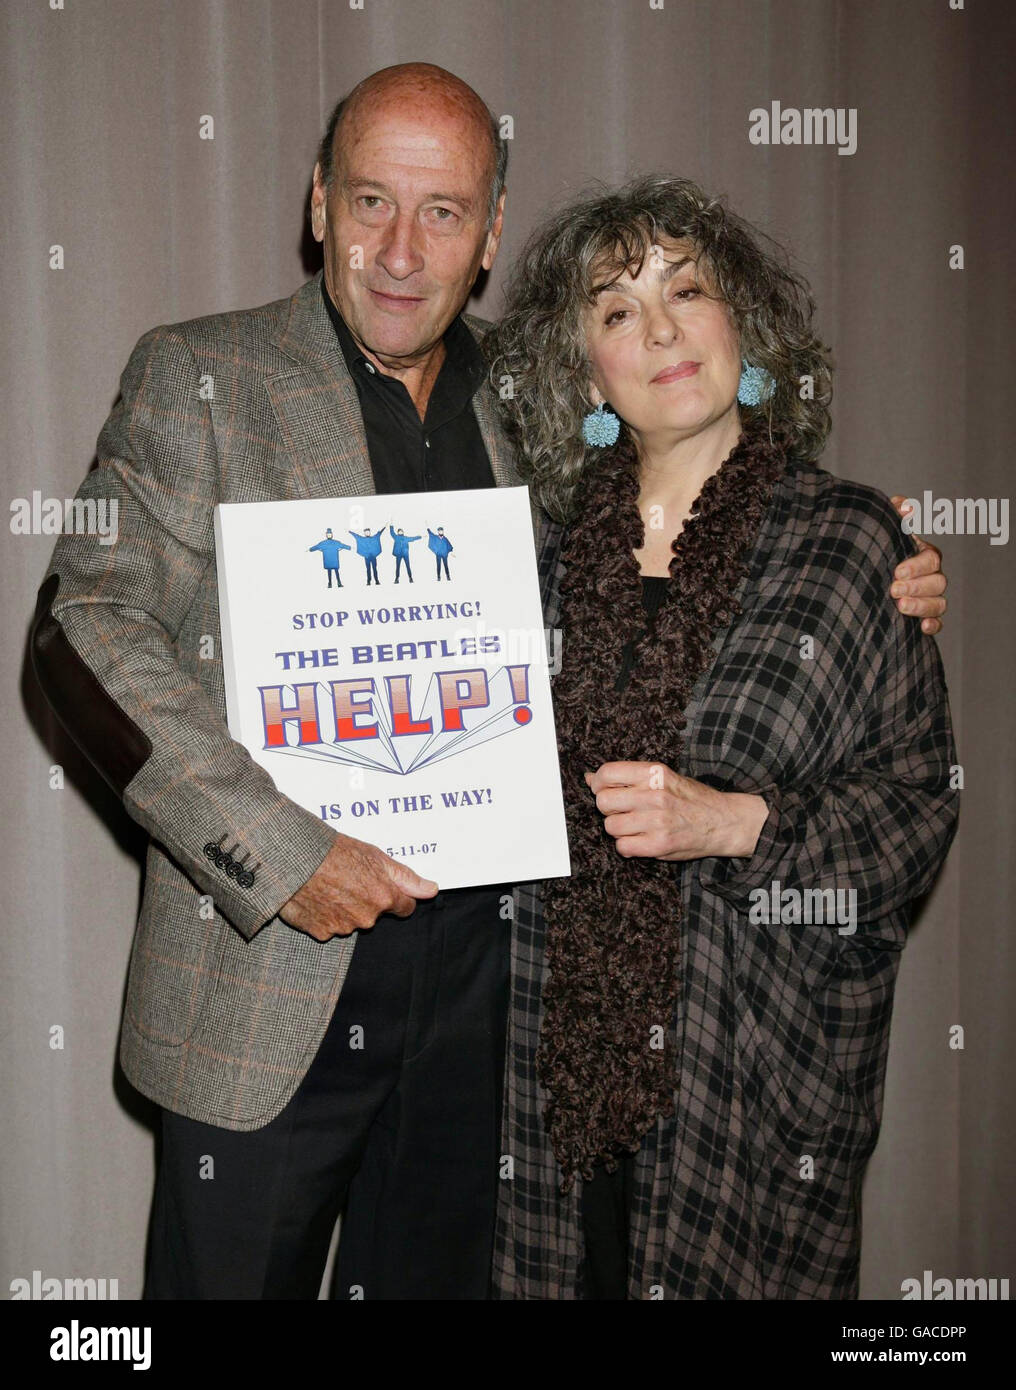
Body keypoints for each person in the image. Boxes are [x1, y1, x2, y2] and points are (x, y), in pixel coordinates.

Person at [27, 64, 947, 1302]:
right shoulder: (202, 375)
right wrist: (282, 852)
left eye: (444, 212)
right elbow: (85, 629)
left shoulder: (539, 402)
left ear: (491, 234)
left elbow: (703, 470)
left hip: (488, 1033)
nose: (402, 253)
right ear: (317, 205)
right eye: (369, 203)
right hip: (264, 1007)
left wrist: (875, 538)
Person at [483, 175, 960, 1299]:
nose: (658, 330)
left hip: (751, 1081)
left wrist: (738, 822)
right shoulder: (535, 565)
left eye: (684, 291)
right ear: (581, 370)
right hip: (552, 1076)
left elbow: (918, 807)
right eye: (614, 309)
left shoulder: (852, 543)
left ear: (739, 318)